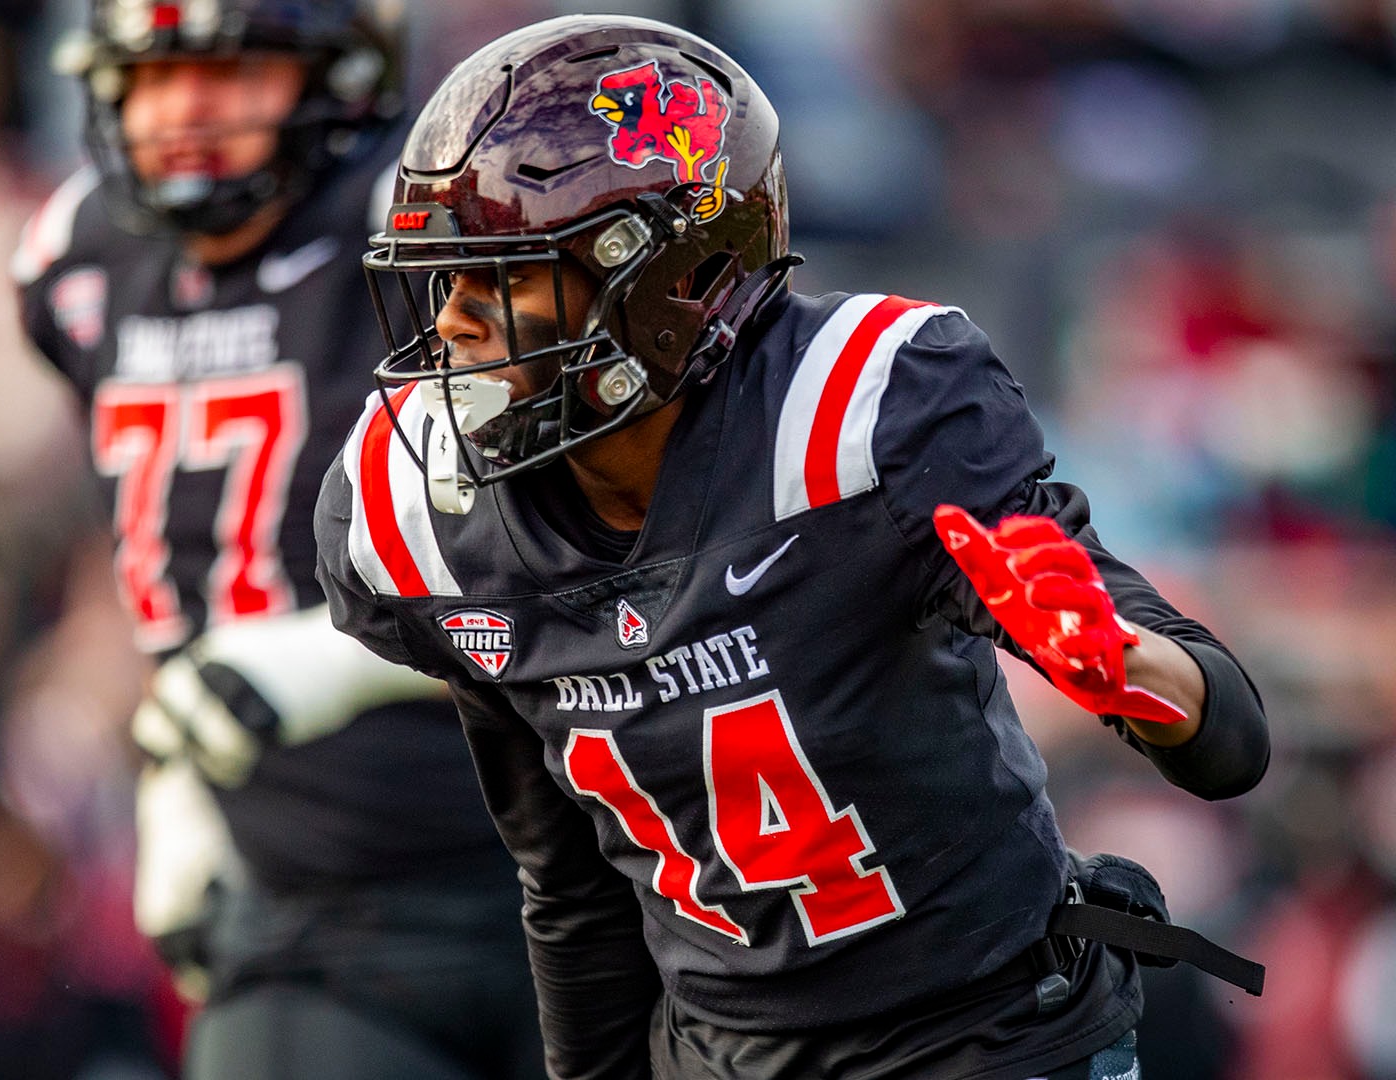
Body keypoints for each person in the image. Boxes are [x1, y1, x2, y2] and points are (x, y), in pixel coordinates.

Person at [315, 15, 1271, 1080]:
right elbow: (571, 883)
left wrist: (1134, 675)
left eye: (504, 279)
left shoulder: (864, 411)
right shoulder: (428, 517)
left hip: (992, 1043)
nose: (451, 326)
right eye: (446, 282)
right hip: (725, 1060)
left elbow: (1228, 738)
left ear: (667, 287)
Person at [11, 3, 543, 1078]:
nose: (184, 110)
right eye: (151, 78)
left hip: (575, 868)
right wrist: (168, 771)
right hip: (310, 915)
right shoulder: (79, 263)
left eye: (232, 67)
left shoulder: (449, 237)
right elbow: (163, 563)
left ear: (339, 74)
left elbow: (595, 580)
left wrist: (312, 665)